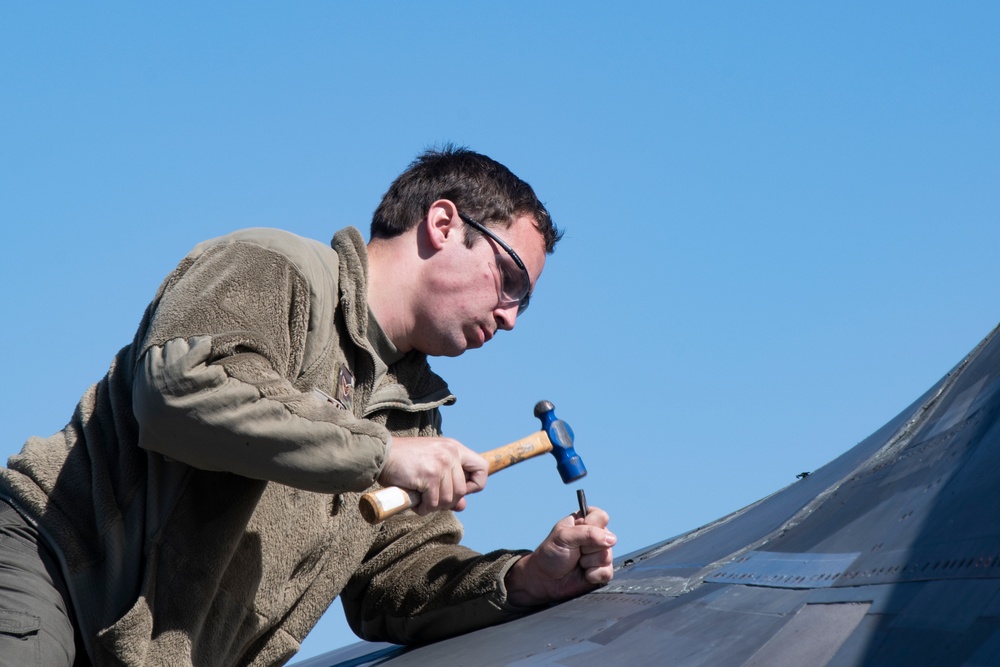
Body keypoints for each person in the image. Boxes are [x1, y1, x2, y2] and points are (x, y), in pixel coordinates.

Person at [0, 146, 615, 667]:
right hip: (49, 572)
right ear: (444, 224)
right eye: (511, 280)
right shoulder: (275, 269)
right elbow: (178, 392)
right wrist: (381, 455)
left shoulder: (412, 411)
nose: (510, 317)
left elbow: (393, 579)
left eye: (524, 303)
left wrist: (523, 579)